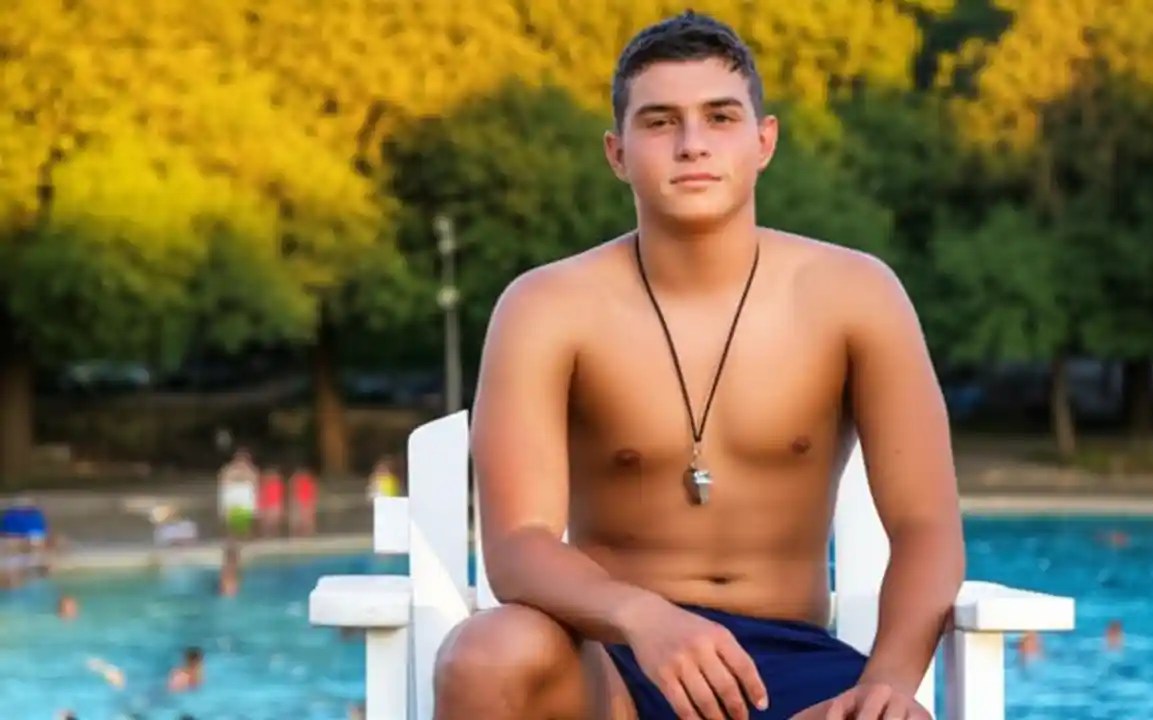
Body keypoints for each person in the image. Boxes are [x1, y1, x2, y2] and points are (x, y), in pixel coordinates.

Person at [434, 12, 964, 720]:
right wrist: (642, 617)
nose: (692, 145)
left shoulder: (855, 296)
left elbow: (926, 524)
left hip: (793, 672)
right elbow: (517, 547)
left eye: (719, 117)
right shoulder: (547, 307)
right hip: (612, 665)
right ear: (617, 152)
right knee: (484, 654)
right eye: (660, 123)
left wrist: (890, 684)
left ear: (763, 140)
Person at [216, 449, 258, 539]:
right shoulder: (228, 470)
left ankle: (245, 541)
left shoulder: (251, 470)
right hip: (232, 501)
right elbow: (225, 481)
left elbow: (253, 481)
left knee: (245, 526)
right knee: (231, 526)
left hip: (245, 502)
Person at [288, 466, 318, 536]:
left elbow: (312, 491)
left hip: (303, 501)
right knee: (304, 519)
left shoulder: (297, 480)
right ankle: (303, 533)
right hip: (302, 501)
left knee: (305, 519)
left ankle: (304, 533)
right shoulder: (297, 480)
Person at [257, 466, 286, 537]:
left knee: (274, 521)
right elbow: (262, 495)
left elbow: (281, 496)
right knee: (267, 522)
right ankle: (265, 534)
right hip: (267, 504)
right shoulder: (264, 485)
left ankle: (274, 534)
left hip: (275, 504)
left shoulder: (278, 484)